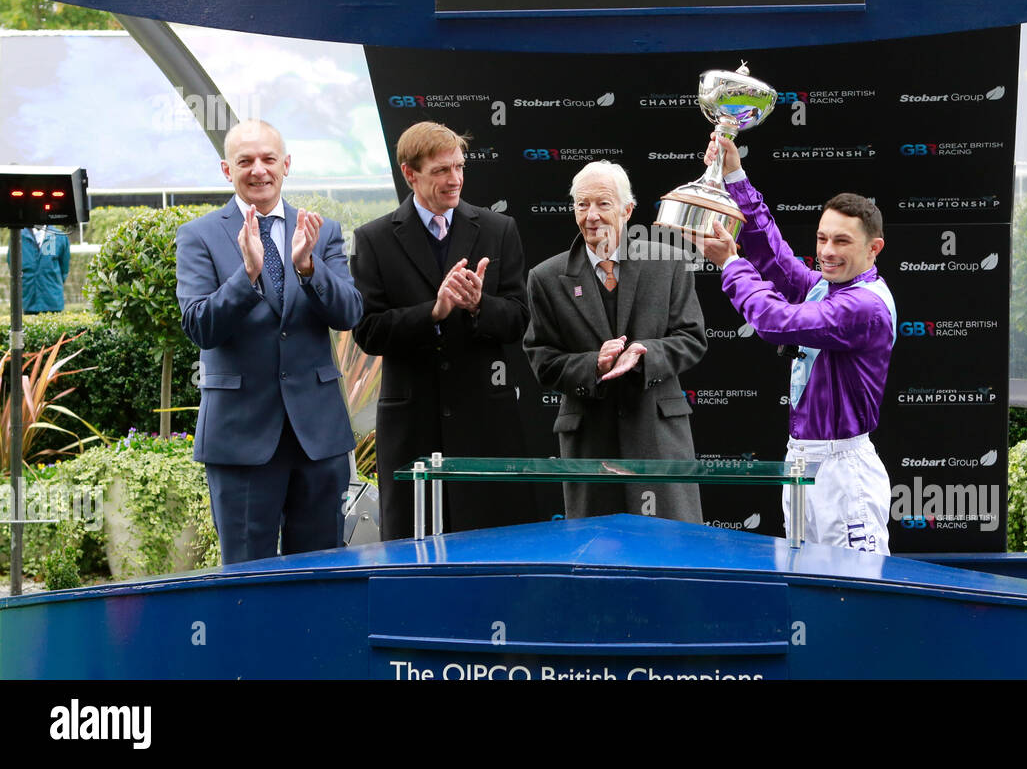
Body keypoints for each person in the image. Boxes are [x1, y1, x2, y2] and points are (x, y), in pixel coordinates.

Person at [692, 134, 897, 553]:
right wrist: (734, 174)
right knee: (804, 585)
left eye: (842, 241)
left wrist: (730, 263)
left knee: (856, 595)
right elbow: (775, 258)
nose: (827, 251)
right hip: (802, 462)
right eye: (822, 238)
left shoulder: (864, 306)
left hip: (844, 471)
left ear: (874, 248)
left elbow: (775, 320)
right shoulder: (829, 287)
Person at [176, 119, 362, 564]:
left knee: (320, 573)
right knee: (246, 577)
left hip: (316, 437)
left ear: (286, 165)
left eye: (268, 159)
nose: (258, 170)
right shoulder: (199, 235)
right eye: (245, 161)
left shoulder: (323, 231)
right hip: (240, 439)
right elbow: (200, 325)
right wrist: (248, 275)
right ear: (227, 170)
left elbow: (350, 313)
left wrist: (308, 269)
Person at [350, 122, 530, 539]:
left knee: (492, 548)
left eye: (460, 167)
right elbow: (369, 332)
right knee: (415, 553)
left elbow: (519, 319)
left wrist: (477, 305)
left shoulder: (498, 230)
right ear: (409, 174)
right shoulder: (374, 238)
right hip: (413, 427)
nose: (455, 180)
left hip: (485, 426)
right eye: (441, 171)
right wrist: (432, 311)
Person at [523, 160, 707, 522]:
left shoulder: (669, 263)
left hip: (658, 437)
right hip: (590, 444)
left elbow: (692, 338)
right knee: (597, 556)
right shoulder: (545, 277)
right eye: (582, 204)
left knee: (669, 554)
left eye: (603, 204)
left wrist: (645, 354)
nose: (591, 215)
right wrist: (594, 364)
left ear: (627, 209)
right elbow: (542, 359)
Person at [20, 225, 71, 313]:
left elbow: (64, 268)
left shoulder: (59, 236)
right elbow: (13, 264)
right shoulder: (19, 236)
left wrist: (52, 283)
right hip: (29, 300)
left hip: (53, 301)